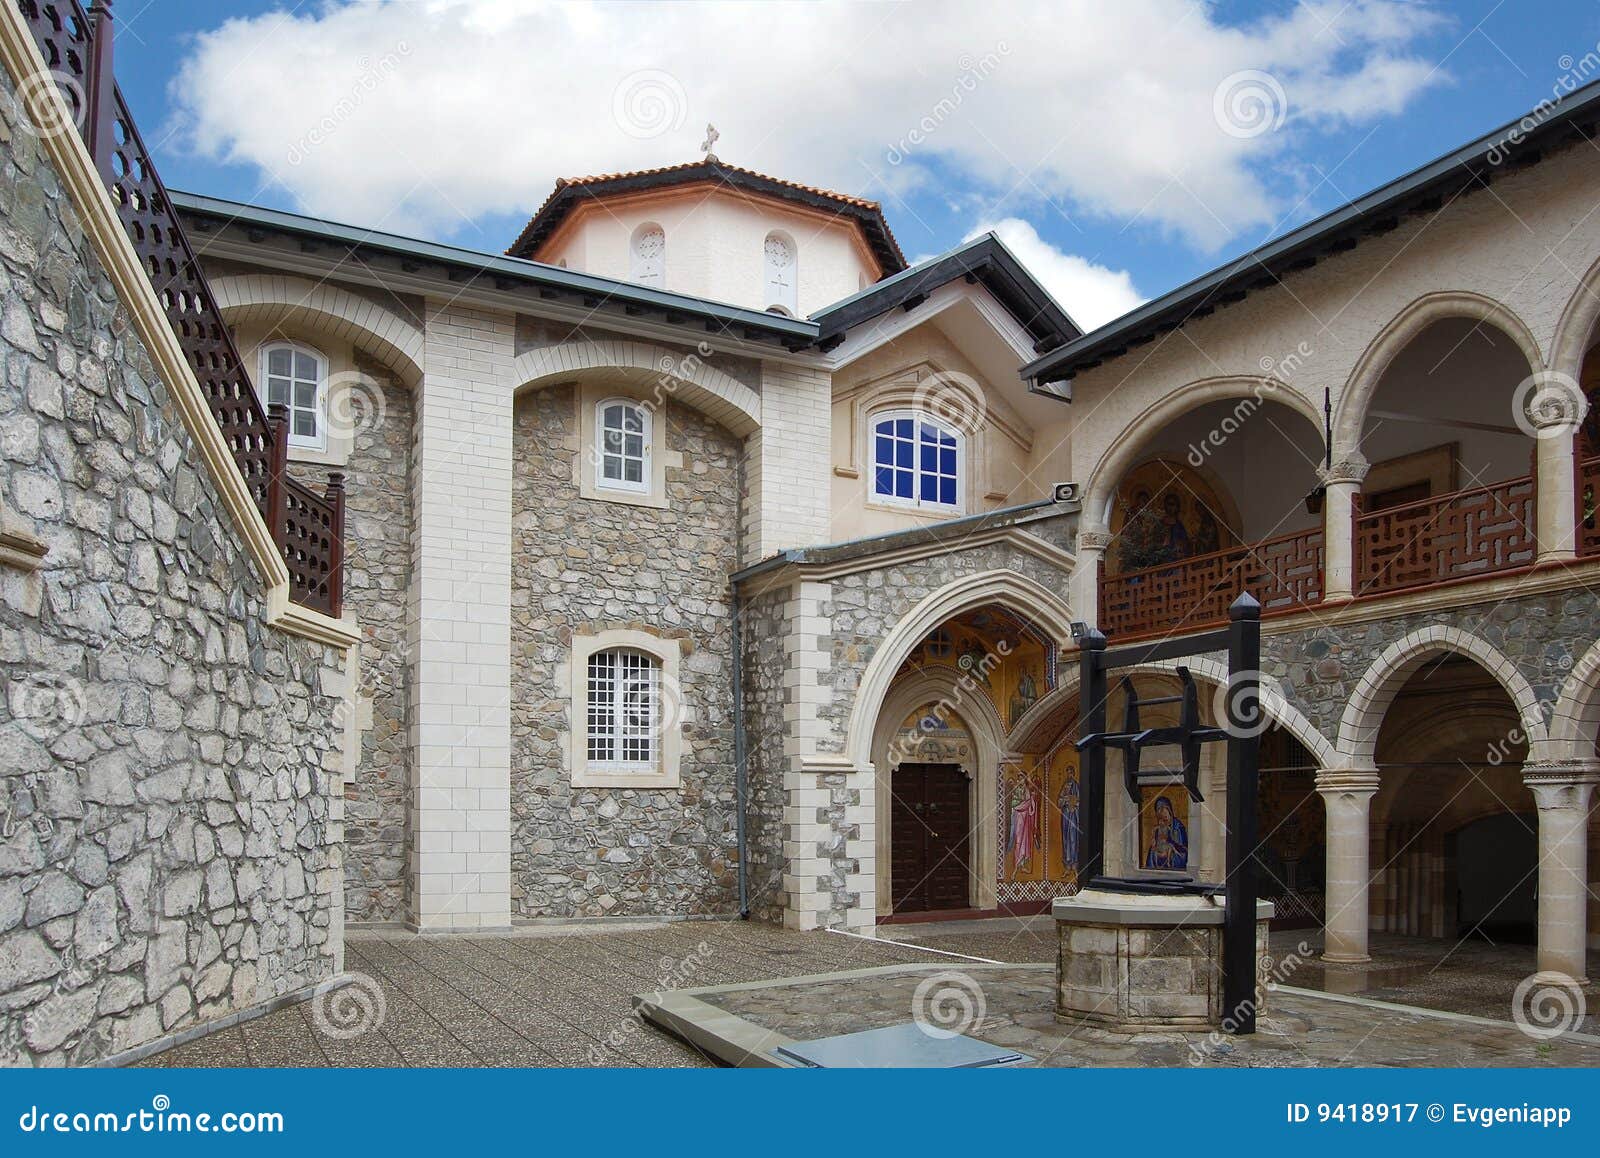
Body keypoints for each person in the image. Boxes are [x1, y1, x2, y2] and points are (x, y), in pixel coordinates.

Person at [1144, 794, 1188, 870]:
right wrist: (1154, 844)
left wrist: (1169, 840)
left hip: (1176, 854)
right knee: (1152, 851)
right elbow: (1156, 844)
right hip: (1161, 853)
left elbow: (1183, 849)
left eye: (1165, 818)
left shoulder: (1178, 827)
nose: (1163, 821)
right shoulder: (1159, 828)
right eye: (1160, 818)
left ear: (1170, 812)